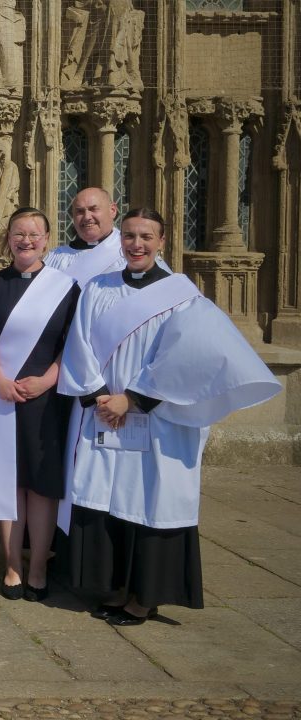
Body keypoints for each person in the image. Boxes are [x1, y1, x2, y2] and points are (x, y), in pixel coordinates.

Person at [57, 208, 279, 625]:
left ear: (162, 241)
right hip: (105, 415)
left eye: (145, 237)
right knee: (108, 500)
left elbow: (189, 356)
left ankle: (145, 598)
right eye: (128, 236)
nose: (135, 245)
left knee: (149, 499)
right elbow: (80, 343)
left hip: (157, 418)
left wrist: (134, 399)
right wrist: (102, 396)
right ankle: (116, 587)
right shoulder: (98, 288)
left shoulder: (182, 295)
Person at [0, 208, 78, 602]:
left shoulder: (66, 287)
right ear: (8, 238)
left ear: (47, 239)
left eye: (34, 233)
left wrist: (48, 379)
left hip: (45, 399)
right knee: (7, 483)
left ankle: (38, 566)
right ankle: (12, 564)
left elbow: (73, 346)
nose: (26, 240)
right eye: (19, 233)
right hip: (1, 395)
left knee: (41, 487)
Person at [45, 187, 169, 286]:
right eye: (80, 211)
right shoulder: (54, 257)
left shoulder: (133, 250)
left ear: (113, 210)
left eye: (94, 209)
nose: (87, 217)